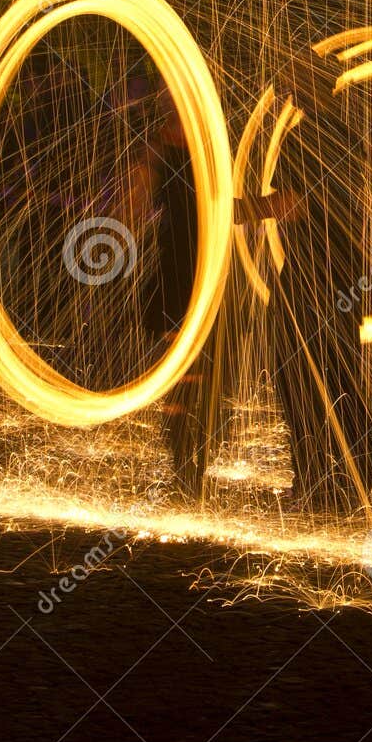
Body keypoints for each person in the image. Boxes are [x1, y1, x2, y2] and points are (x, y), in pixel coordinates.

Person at [243, 51, 372, 512]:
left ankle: (317, 478)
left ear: (311, 85)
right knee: (339, 373)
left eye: (293, 77)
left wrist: (241, 212)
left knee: (297, 372)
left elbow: (293, 204)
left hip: (311, 273)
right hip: (345, 269)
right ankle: (353, 477)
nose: (284, 87)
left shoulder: (308, 135)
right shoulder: (345, 133)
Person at [142, 86, 225, 497]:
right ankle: (183, 463)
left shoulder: (205, 147)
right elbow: (136, 205)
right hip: (177, 267)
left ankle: (195, 461)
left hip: (202, 267)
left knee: (201, 373)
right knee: (182, 374)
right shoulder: (160, 148)